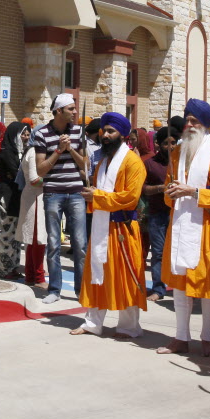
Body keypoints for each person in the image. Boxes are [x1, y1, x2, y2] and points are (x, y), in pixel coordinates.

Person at [157, 99, 210, 357]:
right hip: (180, 224)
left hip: (208, 227)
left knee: (208, 285)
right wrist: (171, 192)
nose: (188, 125)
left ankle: (208, 338)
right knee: (180, 284)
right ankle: (180, 337)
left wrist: (192, 191)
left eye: (194, 121)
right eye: (187, 120)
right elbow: (169, 190)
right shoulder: (177, 152)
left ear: (206, 125)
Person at [71, 112, 148, 338]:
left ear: (122, 135)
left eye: (111, 131)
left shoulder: (133, 162)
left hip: (123, 229)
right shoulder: (102, 160)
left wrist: (97, 197)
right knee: (97, 274)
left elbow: (130, 198)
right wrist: (91, 195)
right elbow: (98, 191)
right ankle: (92, 323)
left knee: (126, 277)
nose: (105, 135)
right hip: (101, 226)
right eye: (104, 131)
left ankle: (128, 326)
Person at [34, 93, 88, 304]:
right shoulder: (42, 134)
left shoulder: (79, 132)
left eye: (75, 109)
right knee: (54, 242)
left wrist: (70, 149)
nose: (75, 113)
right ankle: (54, 290)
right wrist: (57, 150)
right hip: (53, 193)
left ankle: (81, 290)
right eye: (71, 109)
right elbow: (40, 170)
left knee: (80, 243)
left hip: (76, 192)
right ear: (59, 111)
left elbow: (85, 165)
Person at [142, 126, 177, 301]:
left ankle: (180, 288)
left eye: (173, 143)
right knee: (158, 253)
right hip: (157, 214)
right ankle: (158, 288)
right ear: (158, 144)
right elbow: (143, 189)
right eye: (165, 143)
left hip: (178, 214)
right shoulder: (150, 164)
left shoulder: (182, 163)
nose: (169, 147)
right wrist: (160, 188)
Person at [0, 122, 29, 279]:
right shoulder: (6, 152)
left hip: (17, 196)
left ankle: (14, 267)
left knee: (16, 236)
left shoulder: (22, 151)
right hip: (6, 197)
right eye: (22, 134)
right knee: (5, 234)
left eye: (27, 134)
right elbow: (17, 173)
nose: (25, 137)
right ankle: (5, 268)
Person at [18, 126, 46, 286]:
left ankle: (30, 275)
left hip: (35, 197)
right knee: (37, 239)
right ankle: (37, 277)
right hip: (36, 198)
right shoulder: (35, 152)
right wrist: (54, 181)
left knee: (34, 239)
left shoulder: (33, 151)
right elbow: (35, 179)